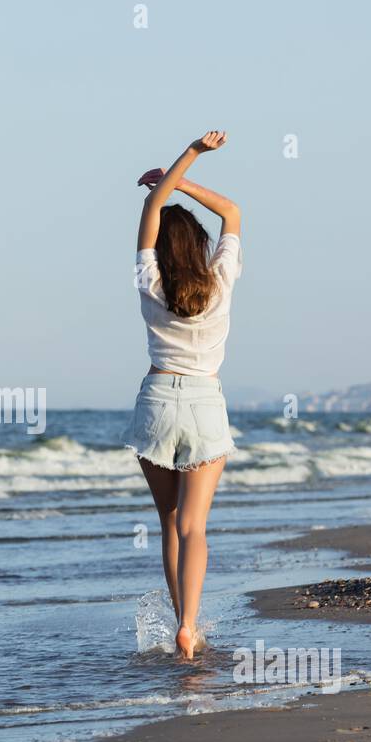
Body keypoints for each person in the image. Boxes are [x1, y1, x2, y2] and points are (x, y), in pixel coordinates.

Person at [123, 130, 243, 660]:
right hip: (204, 403)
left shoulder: (150, 281)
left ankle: (180, 622)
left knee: (169, 522)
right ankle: (190, 626)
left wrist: (171, 175)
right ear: (198, 248)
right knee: (196, 527)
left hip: (156, 401)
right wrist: (192, 171)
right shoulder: (220, 279)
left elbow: (152, 207)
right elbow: (233, 213)